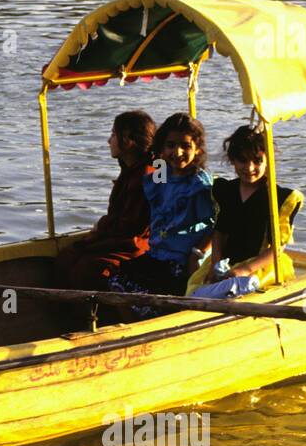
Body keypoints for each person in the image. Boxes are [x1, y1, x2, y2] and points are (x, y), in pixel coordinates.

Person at [108, 113, 214, 309]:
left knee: (152, 297)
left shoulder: (198, 184)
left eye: (186, 146)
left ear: (197, 150)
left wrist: (198, 253)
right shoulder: (161, 174)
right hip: (157, 253)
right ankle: (132, 327)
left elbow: (216, 225)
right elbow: (150, 195)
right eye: (171, 145)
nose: (177, 152)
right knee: (115, 281)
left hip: (181, 259)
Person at [188, 125, 303, 299]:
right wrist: (215, 262)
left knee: (243, 285)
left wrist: (245, 269)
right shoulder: (225, 190)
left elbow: (277, 249)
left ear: (268, 161)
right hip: (227, 263)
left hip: (259, 265)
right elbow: (219, 232)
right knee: (195, 289)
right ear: (232, 160)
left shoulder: (279, 197)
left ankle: (231, 290)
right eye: (242, 160)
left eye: (257, 161)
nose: (249, 168)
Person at [53, 110, 155, 292]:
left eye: (113, 134)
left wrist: (101, 227)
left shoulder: (146, 174)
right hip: (119, 238)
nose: (109, 141)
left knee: (88, 269)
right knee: (66, 257)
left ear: (128, 140)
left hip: (134, 244)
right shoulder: (129, 170)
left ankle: (93, 317)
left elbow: (132, 226)